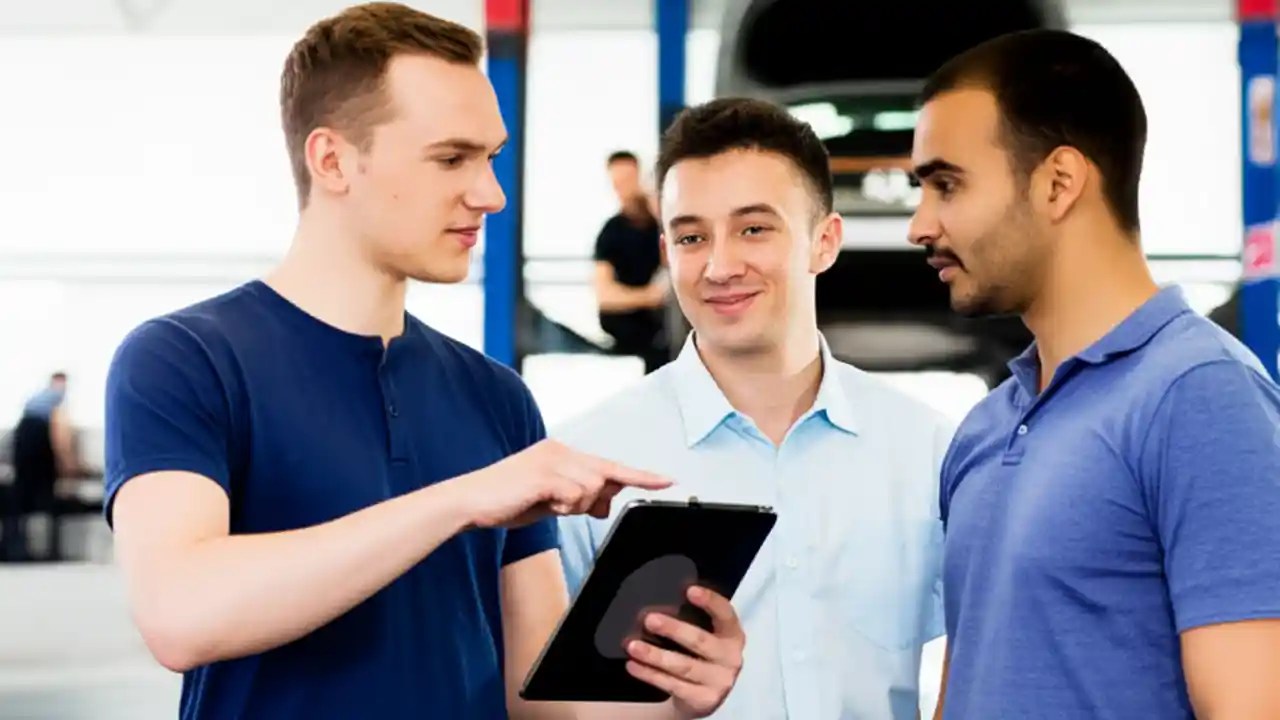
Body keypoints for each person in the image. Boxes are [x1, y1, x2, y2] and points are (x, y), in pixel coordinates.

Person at [102, 4, 746, 719]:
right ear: (333, 160)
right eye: (451, 159)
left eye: (491, 158)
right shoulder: (184, 361)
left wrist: (671, 700)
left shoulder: (495, 398)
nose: (490, 194)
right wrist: (462, 500)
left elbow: (538, 698)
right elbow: (180, 613)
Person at [908, 28, 1280, 720]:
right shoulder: (985, 428)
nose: (919, 224)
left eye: (945, 184)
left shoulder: (1201, 396)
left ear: (1058, 183)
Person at [556, 97, 957, 719]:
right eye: (692, 237)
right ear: (667, 252)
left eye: (754, 228)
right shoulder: (586, 463)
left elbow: (979, 651)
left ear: (824, 242)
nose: (720, 266)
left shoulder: (927, 451)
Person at [593, 150, 671, 373]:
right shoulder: (611, 233)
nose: (625, 190)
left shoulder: (660, 223)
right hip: (630, 321)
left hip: (661, 318)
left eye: (629, 180)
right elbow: (605, 296)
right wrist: (649, 297)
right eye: (618, 183)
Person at [4, 372, 78, 561]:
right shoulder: (57, 401)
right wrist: (68, 464)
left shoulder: (34, 401)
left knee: (19, 499)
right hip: (39, 444)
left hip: (23, 445)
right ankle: (49, 551)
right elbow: (60, 434)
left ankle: (14, 549)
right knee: (46, 498)